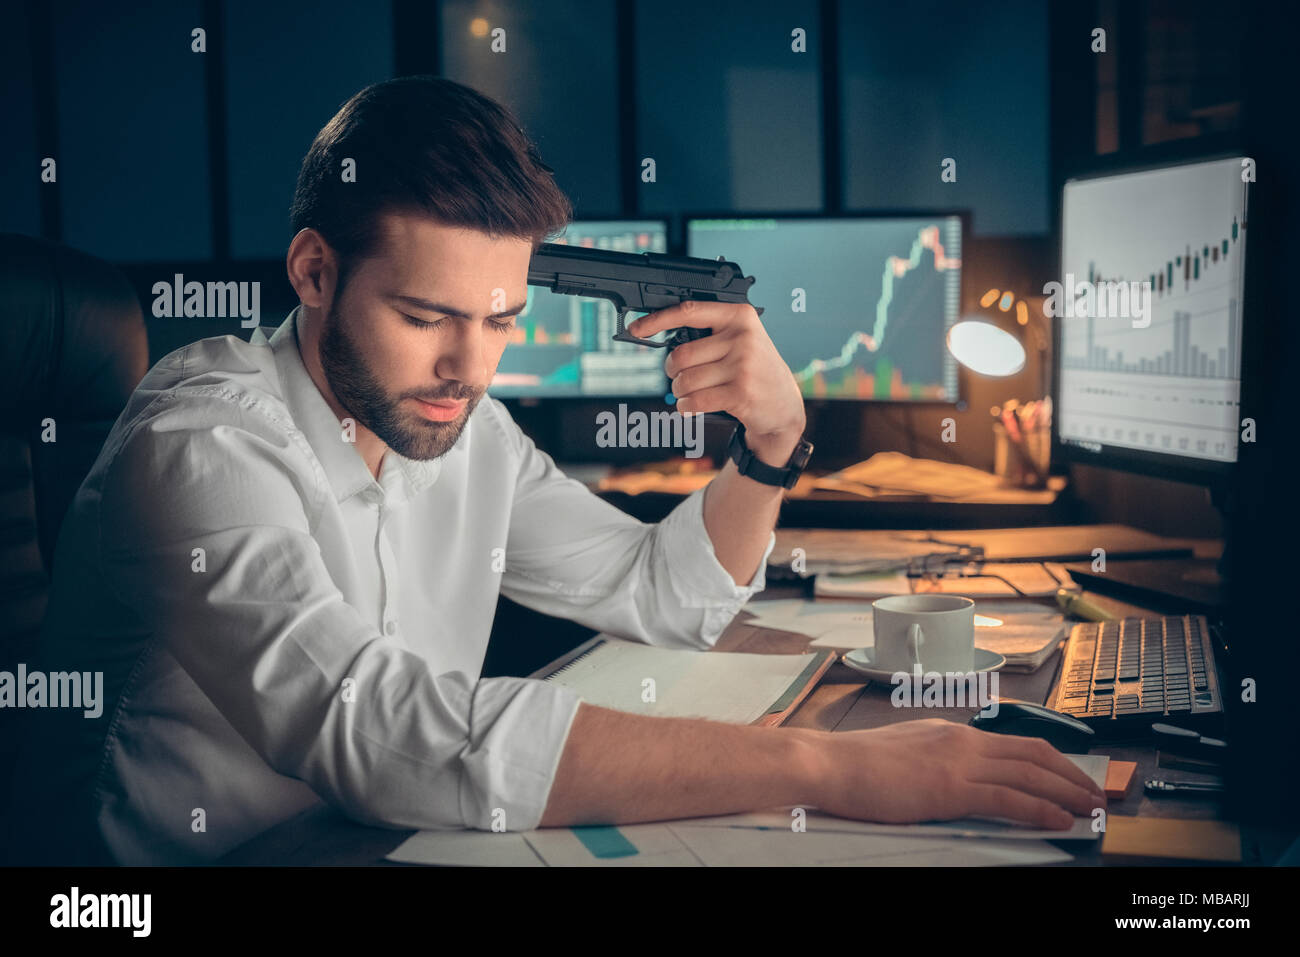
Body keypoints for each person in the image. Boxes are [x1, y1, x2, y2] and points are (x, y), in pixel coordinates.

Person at [7, 76, 1103, 865]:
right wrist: (832, 773)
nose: (467, 367)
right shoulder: (200, 440)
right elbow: (378, 730)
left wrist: (770, 442)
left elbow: (663, 594)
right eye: (424, 316)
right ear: (313, 270)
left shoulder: (458, 427)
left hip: (385, 842)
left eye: (499, 320)